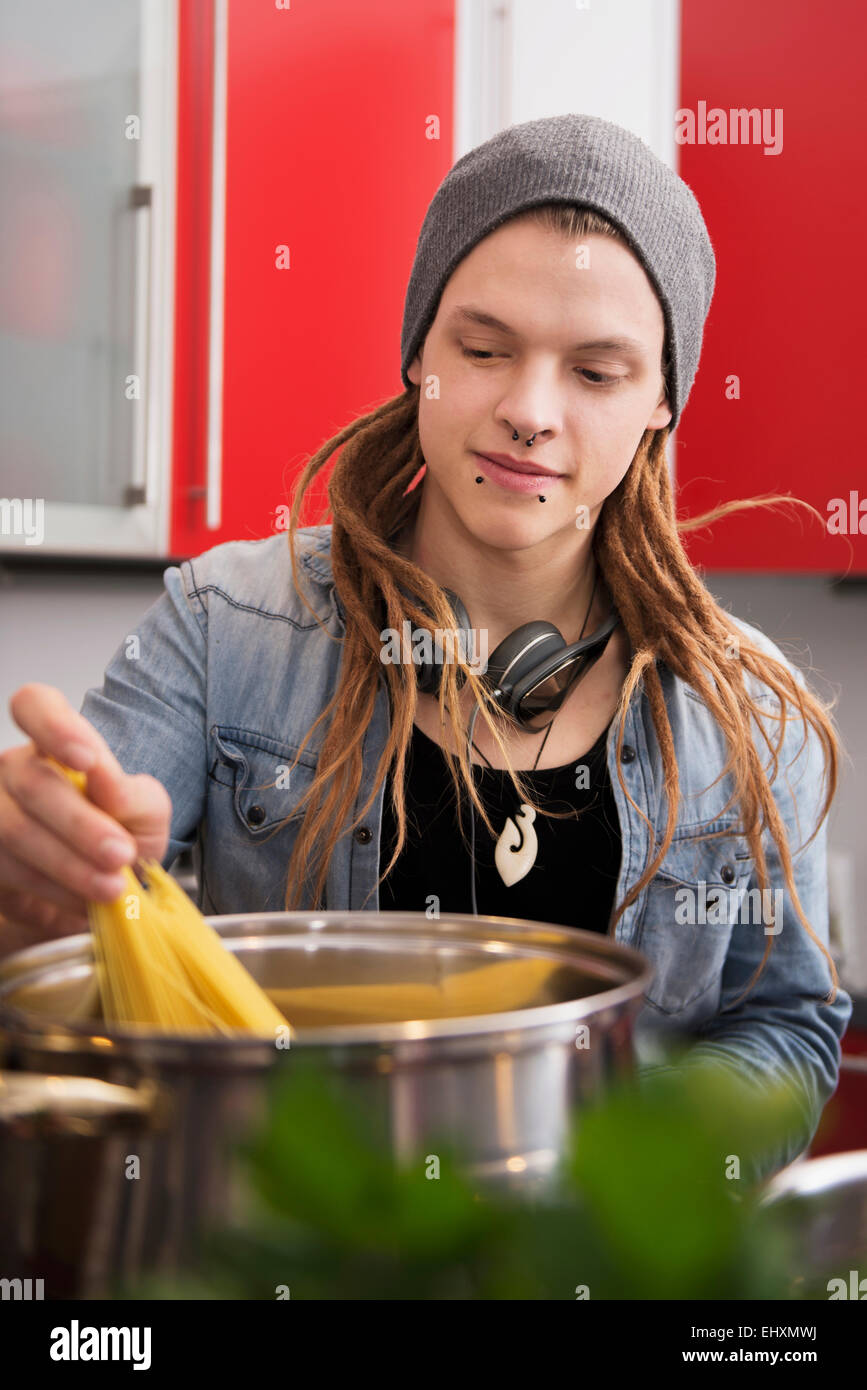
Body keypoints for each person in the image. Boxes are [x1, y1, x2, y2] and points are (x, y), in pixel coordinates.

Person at [0, 114, 851, 1177]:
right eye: (483, 349)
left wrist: (620, 1181)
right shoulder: (221, 627)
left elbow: (787, 1025)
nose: (529, 411)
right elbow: (69, 938)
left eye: (597, 373)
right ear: (418, 351)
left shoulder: (756, 715)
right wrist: (33, 886)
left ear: (663, 404)